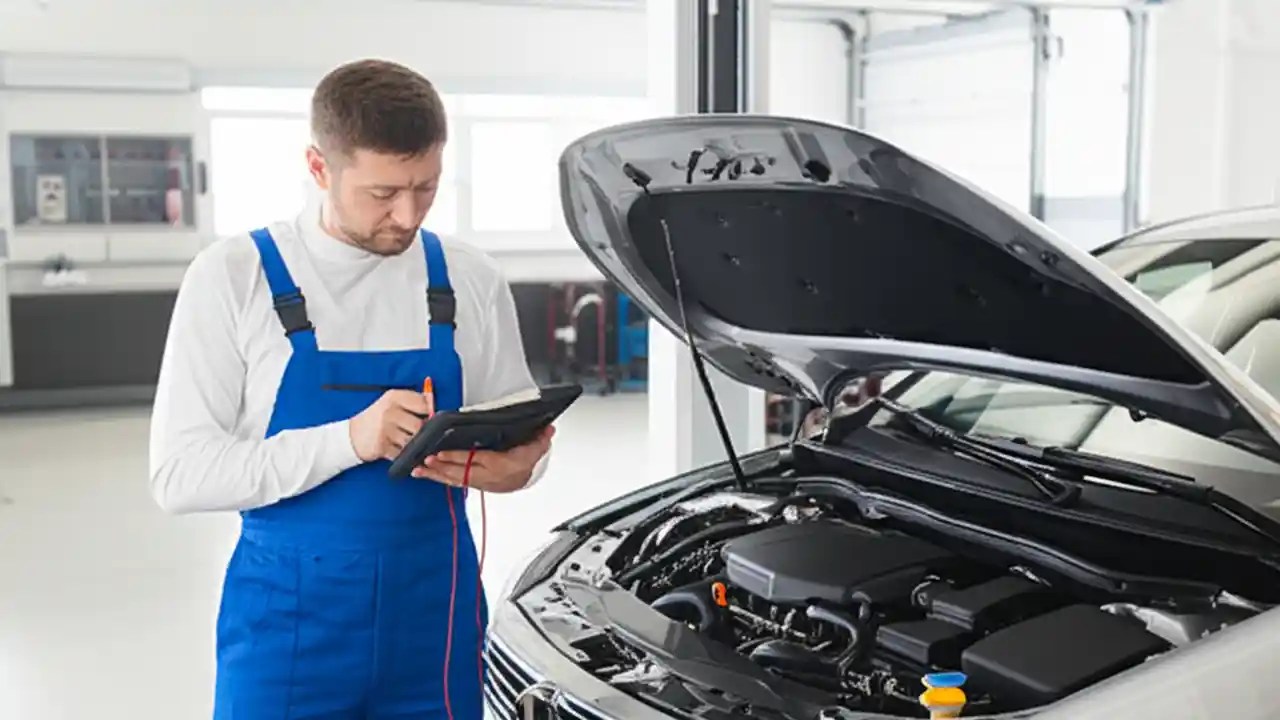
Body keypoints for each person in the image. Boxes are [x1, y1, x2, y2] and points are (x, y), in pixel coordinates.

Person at [148, 58, 553, 719]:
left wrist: (517, 469)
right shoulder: (234, 276)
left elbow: (518, 434)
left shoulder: (470, 279)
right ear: (318, 168)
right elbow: (180, 475)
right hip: (288, 631)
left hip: (436, 624)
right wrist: (351, 438)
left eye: (427, 187)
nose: (408, 213)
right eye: (383, 192)